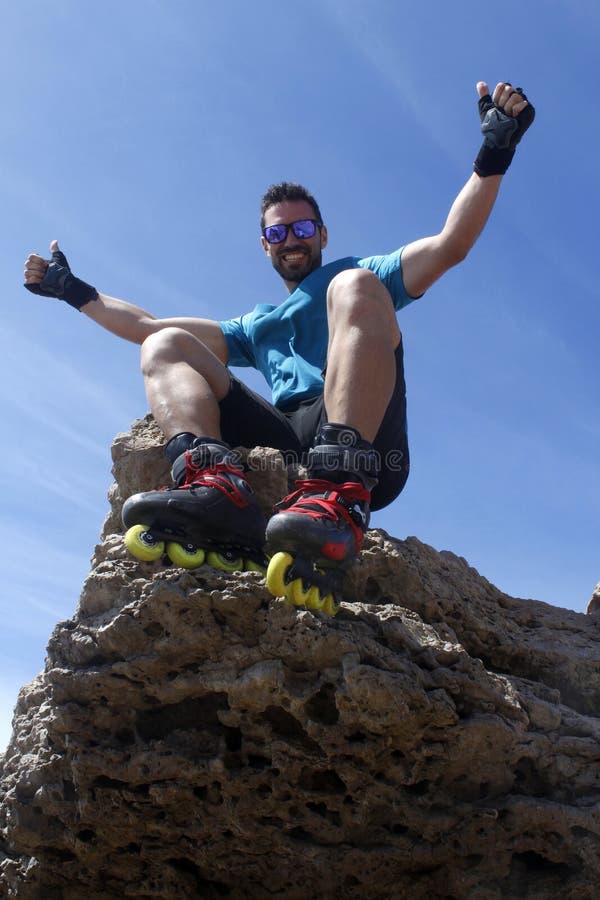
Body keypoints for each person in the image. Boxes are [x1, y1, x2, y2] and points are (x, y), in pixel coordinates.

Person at [23, 80, 534, 610]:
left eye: (302, 227)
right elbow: (145, 325)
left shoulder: (358, 273)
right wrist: (73, 291)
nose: (291, 239)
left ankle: (339, 494)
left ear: (323, 234)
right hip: (288, 441)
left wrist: (495, 151)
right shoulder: (256, 325)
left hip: (366, 444)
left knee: (356, 287)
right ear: (265, 245)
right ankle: (217, 489)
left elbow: (451, 245)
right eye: (277, 233)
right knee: (165, 344)